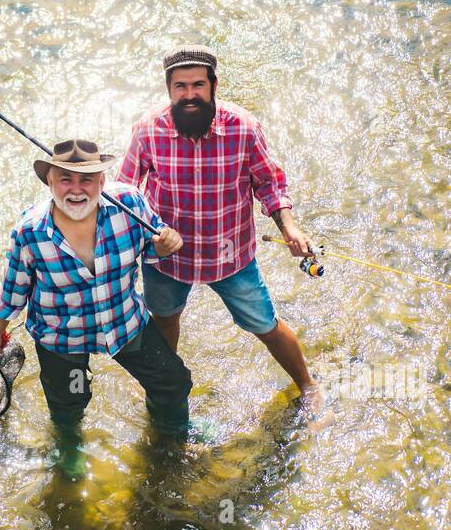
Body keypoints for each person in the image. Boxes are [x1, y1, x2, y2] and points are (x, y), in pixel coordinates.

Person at [116, 45, 324, 417]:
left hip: (231, 257)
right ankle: (163, 387)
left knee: (265, 324)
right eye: (180, 86)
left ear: (214, 85)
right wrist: (137, 240)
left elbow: (270, 184)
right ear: (169, 89)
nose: (190, 94)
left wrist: (290, 228)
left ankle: (308, 386)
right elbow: (124, 193)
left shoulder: (243, 127)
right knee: (164, 322)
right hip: (167, 258)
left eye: (198, 85)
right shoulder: (148, 130)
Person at [0, 139, 192, 466]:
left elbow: (153, 245)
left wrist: (166, 244)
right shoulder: (29, 231)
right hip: (62, 336)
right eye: (65, 179)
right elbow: (16, 285)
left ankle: (175, 431)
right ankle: (70, 450)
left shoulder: (130, 204)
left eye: (86, 179)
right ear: (50, 182)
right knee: (68, 402)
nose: (76, 189)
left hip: (124, 322)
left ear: (101, 182)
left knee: (172, 382)